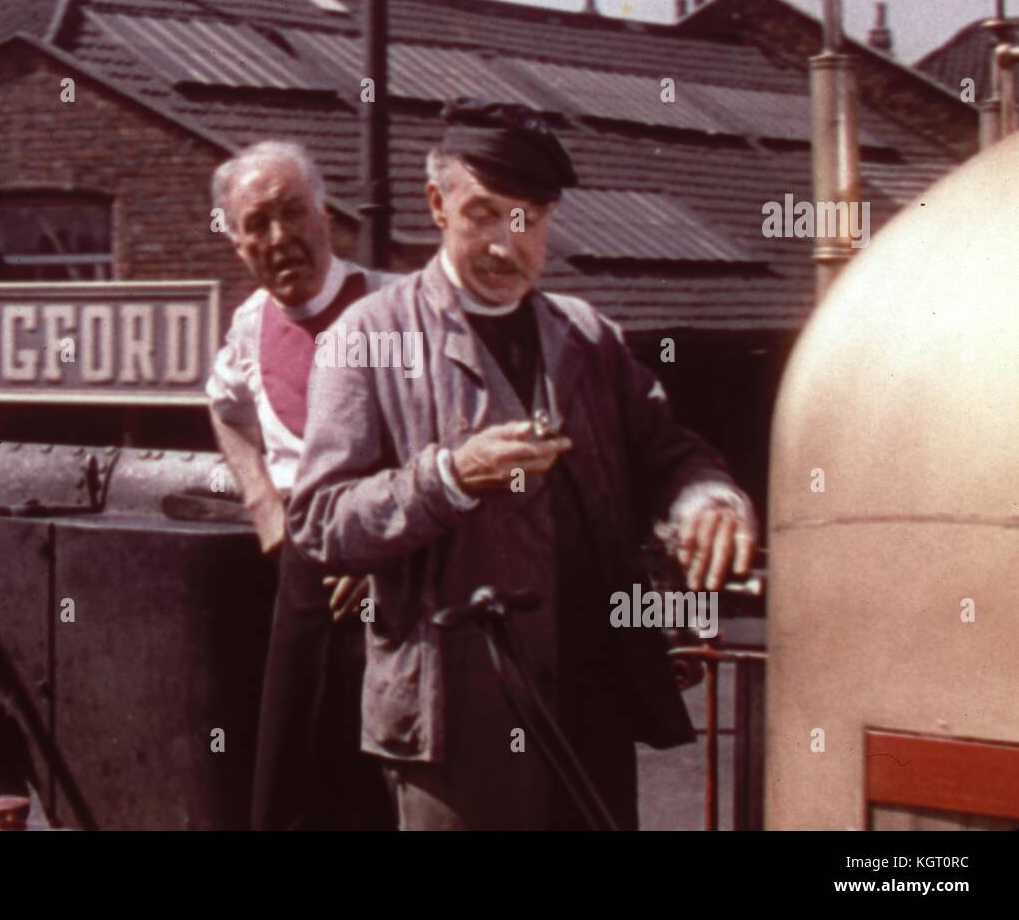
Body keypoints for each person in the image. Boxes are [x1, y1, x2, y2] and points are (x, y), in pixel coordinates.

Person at [286, 100, 757, 830]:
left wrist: (710, 501)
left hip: (588, 703)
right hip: (455, 723)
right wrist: (447, 478)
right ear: (438, 204)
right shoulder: (366, 336)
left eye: (529, 219)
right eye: (485, 213)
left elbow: (670, 452)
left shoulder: (585, 335)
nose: (509, 245)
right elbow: (320, 524)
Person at [204, 141, 395, 830]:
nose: (279, 237)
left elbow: (454, 447)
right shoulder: (250, 321)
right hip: (306, 570)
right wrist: (264, 507)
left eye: (292, 213)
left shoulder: (394, 306)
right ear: (236, 241)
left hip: (399, 574)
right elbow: (223, 406)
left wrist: (394, 556)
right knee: (291, 777)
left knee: (391, 783)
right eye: (257, 224)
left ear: (323, 212)